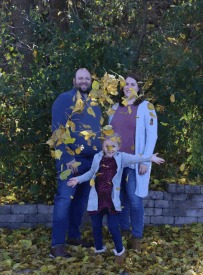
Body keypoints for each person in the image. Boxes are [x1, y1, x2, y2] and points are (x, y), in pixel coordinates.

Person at [67, 130, 165, 264]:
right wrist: (78, 179)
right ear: (102, 146)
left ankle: (120, 251)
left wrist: (149, 158)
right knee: (96, 226)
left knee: (113, 227)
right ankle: (99, 250)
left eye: (113, 146)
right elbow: (91, 173)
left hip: (111, 201)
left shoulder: (121, 157)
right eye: (106, 146)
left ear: (118, 147)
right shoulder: (97, 158)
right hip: (97, 200)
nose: (110, 149)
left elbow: (136, 158)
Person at [49, 68, 103, 259]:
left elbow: (98, 130)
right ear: (74, 81)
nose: (84, 81)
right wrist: (67, 157)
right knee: (64, 199)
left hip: (91, 161)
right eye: (81, 78)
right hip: (70, 161)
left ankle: (73, 236)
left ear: (91, 81)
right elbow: (58, 130)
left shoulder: (94, 103)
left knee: (80, 201)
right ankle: (56, 245)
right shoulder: (64, 99)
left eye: (87, 78)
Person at [108, 72, 158, 252]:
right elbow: (108, 136)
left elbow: (152, 135)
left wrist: (146, 160)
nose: (128, 87)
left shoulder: (147, 107)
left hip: (136, 163)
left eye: (133, 84)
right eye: (126, 84)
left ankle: (137, 238)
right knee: (119, 200)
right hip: (116, 163)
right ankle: (124, 233)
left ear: (139, 88)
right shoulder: (114, 108)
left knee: (135, 200)